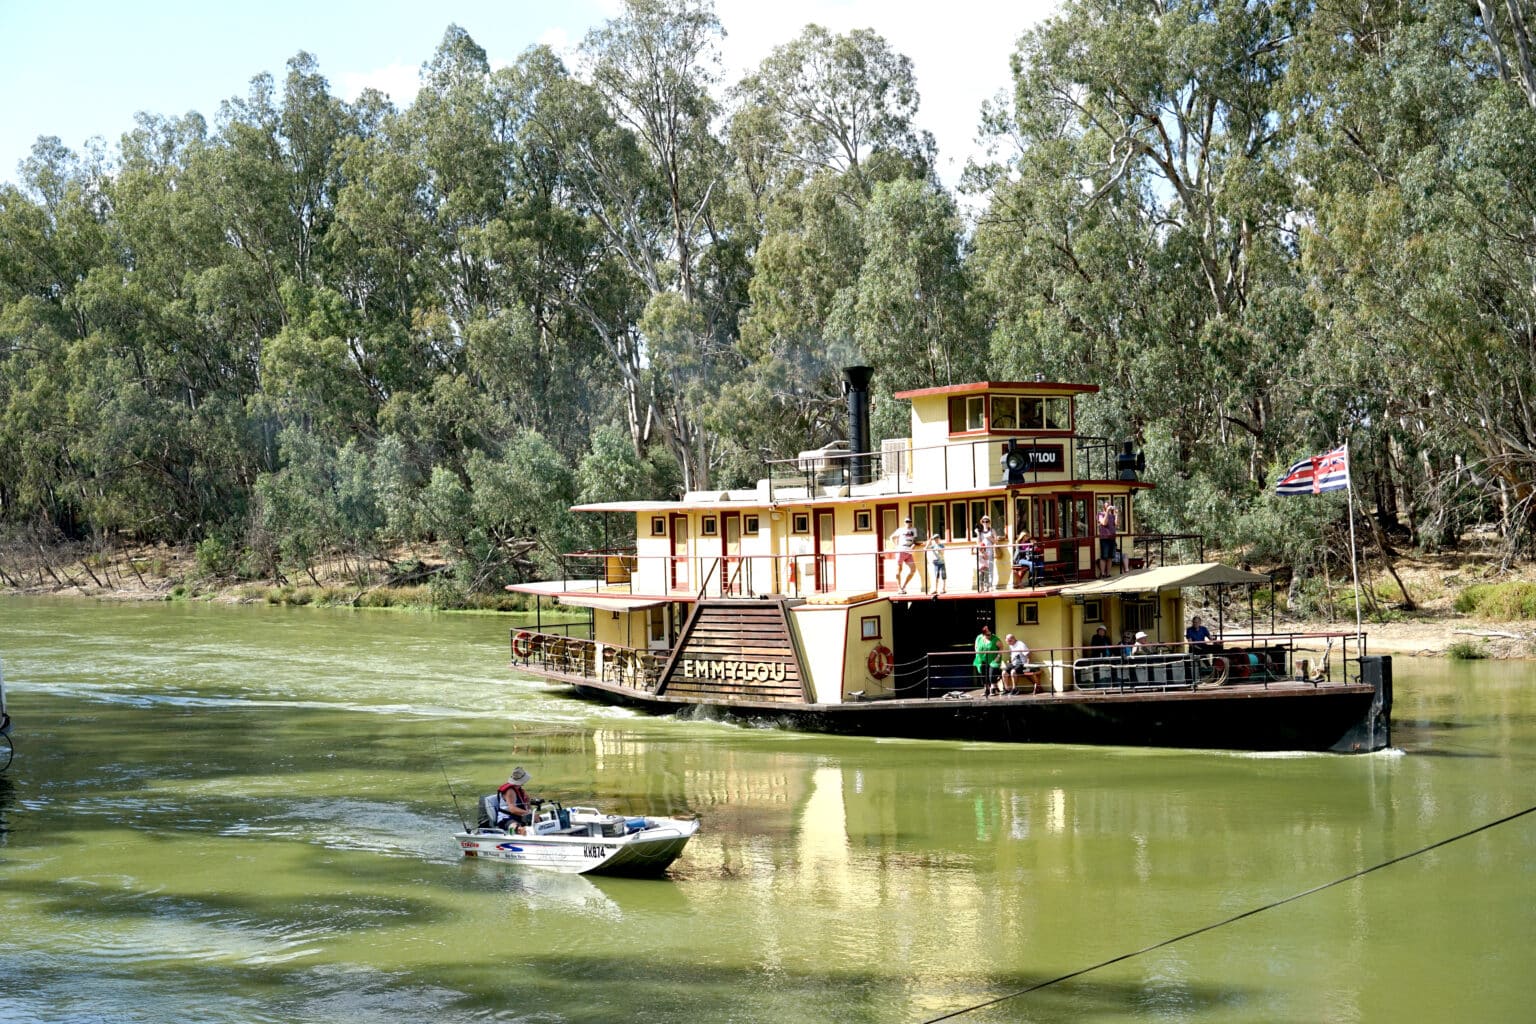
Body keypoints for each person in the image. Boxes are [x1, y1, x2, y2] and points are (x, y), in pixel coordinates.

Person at [495, 767, 535, 832]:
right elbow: (512, 809)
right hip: (507, 818)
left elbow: (527, 806)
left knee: (537, 819)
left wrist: (528, 803)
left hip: (518, 816)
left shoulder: (520, 790)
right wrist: (530, 814)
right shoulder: (509, 791)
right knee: (518, 828)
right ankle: (514, 835)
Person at [890, 517, 919, 594]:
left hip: (909, 552)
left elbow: (915, 540)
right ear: (904, 522)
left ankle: (904, 586)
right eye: (907, 521)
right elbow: (892, 537)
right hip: (901, 551)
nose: (908, 523)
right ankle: (899, 588)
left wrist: (914, 545)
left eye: (909, 521)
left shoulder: (914, 530)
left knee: (913, 570)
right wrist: (896, 546)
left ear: (911, 522)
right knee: (899, 570)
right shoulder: (900, 530)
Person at [973, 625, 1003, 696]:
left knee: (992, 674)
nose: (989, 635)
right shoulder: (979, 638)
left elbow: (1001, 648)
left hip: (993, 659)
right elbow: (976, 647)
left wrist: (998, 657)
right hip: (982, 659)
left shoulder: (995, 639)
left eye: (990, 634)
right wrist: (977, 654)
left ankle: (993, 690)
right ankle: (986, 690)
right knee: (983, 674)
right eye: (987, 634)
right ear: (983, 634)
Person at [1096, 500, 1119, 578]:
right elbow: (1104, 523)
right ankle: (1102, 574)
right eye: (1107, 506)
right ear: (1104, 507)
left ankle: (1108, 574)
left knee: (1110, 557)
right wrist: (1107, 512)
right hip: (1104, 538)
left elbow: (1116, 524)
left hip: (1112, 538)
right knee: (1104, 556)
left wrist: (1116, 514)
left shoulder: (1112, 516)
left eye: (1110, 505)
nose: (1109, 506)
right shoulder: (1100, 514)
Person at [975, 516, 998, 592]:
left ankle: (990, 585)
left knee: (990, 569)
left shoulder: (992, 530)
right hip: (982, 553)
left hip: (990, 552)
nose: (985, 523)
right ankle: (984, 586)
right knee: (982, 570)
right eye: (984, 521)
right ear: (982, 522)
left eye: (987, 521)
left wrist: (990, 538)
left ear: (989, 522)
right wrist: (978, 534)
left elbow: (996, 541)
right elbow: (978, 542)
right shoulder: (980, 531)